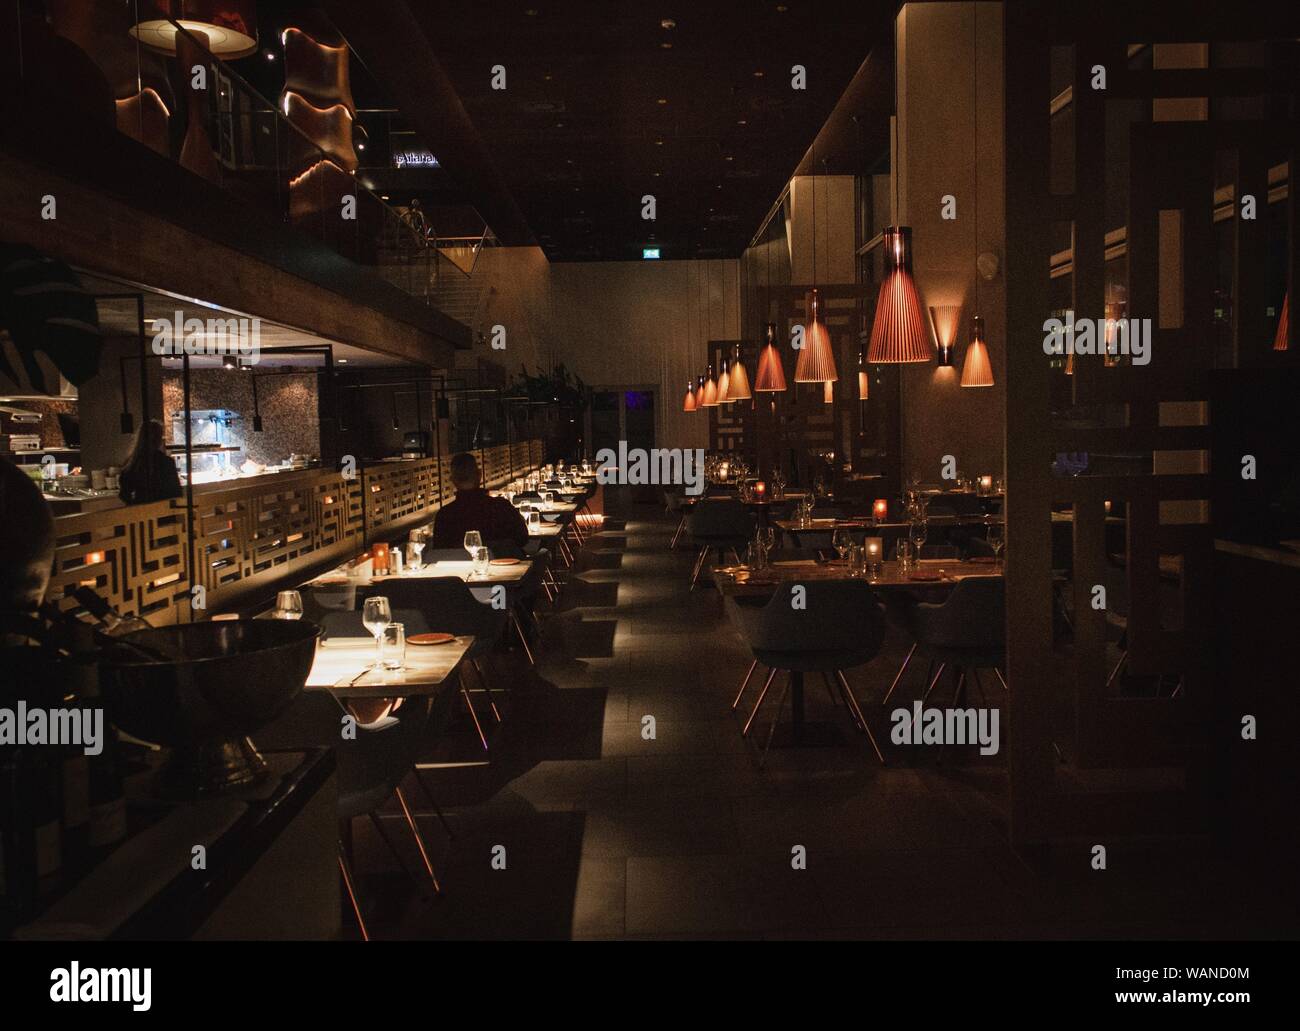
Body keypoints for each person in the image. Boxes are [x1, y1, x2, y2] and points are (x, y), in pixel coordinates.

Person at [431, 452, 528, 550]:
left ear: (453, 480)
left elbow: (439, 551)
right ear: (480, 475)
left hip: (460, 565)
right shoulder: (501, 507)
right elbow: (523, 538)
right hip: (503, 563)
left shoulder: (444, 516)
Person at [118, 419, 183, 505]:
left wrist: (136, 505)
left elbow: (124, 494)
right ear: (159, 439)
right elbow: (176, 492)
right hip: (164, 513)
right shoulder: (166, 462)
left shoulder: (132, 463)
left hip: (141, 515)